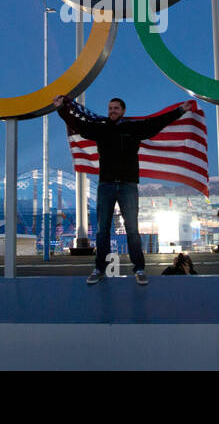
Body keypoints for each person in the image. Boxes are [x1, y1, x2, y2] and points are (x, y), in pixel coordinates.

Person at [54, 94, 187, 286]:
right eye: (110, 108)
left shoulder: (133, 128)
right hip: (106, 185)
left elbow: (157, 123)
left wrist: (180, 110)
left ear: (123, 111)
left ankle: (139, 269)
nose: (112, 111)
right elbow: (78, 125)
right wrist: (61, 109)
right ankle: (99, 269)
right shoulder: (101, 128)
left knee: (132, 230)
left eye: (116, 108)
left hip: (128, 185)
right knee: (102, 231)